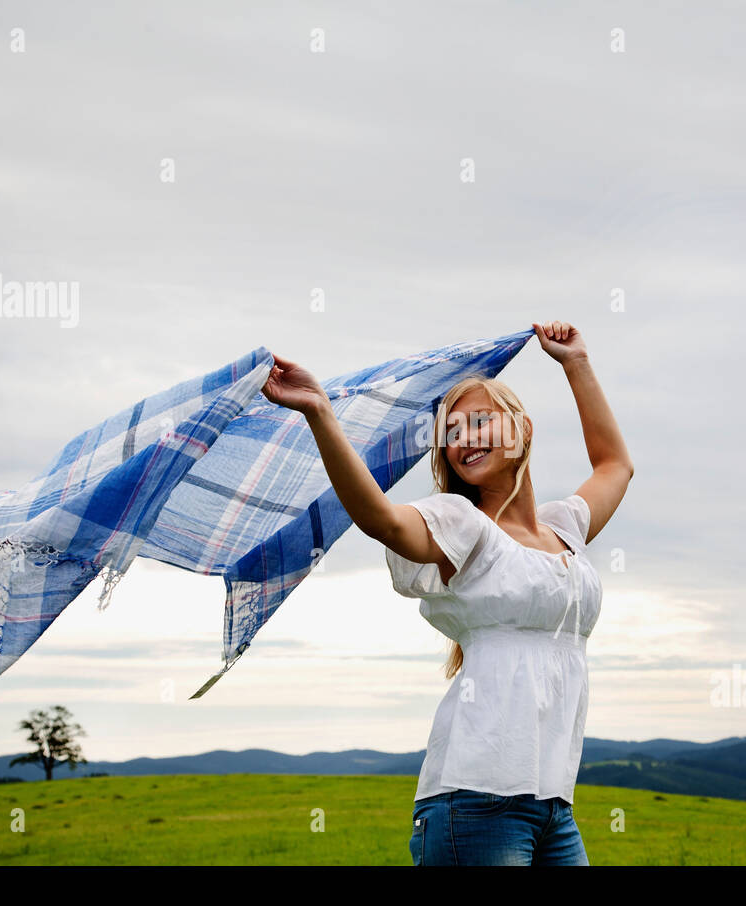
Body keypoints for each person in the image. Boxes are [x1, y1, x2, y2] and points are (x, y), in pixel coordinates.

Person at [261, 321, 634, 865]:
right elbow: (383, 520)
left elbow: (615, 465)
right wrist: (321, 413)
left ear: (522, 429)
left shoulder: (566, 530)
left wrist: (575, 362)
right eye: (452, 433)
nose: (464, 439)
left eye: (480, 421)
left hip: (555, 805)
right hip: (475, 803)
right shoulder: (462, 524)